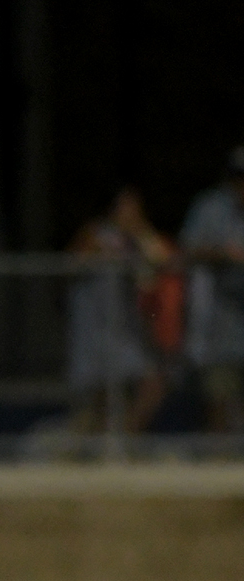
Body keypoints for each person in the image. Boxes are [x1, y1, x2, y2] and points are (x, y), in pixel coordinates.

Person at [68, 188, 176, 435]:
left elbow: (163, 261)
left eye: (136, 209)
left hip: (125, 330)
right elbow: (74, 262)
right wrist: (100, 252)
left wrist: (141, 233)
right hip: (94, 329)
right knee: (99, 400)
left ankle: (124, 440)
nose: (131, 214)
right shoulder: (96, 233)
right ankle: (97, 449)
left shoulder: (139, 239)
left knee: (153, 383)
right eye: (126, 208)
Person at [181, 149, 244, 432]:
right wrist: (223, 253)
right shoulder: (211, 206)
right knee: (219, 394)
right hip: (220, 322)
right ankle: (219, 458)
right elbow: (186, 249)